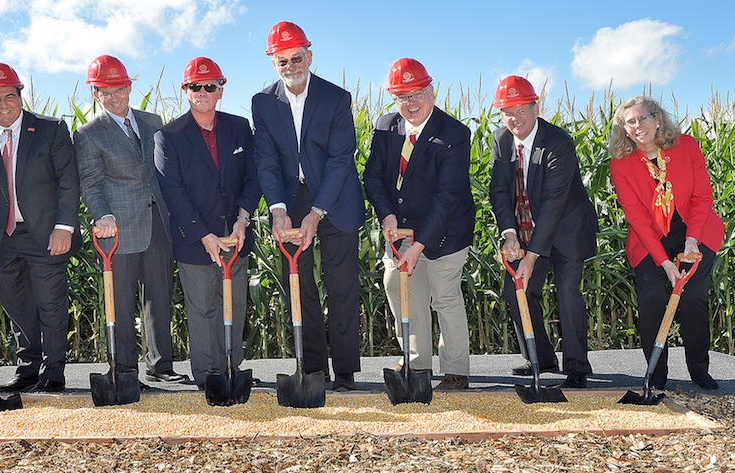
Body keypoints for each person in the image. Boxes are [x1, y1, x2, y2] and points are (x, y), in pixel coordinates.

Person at [252, 21, 365, 391]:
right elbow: (266, 160)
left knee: (341, 283)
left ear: (309, 56)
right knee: (298, 283)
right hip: (290, 198)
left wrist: (316, 213)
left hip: (336, 198)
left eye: (296, 58)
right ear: (273, 64)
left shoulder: (336, 98)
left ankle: (346, 369)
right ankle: (313, 366)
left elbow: (340, 160)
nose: (290, 66)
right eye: (281, 61)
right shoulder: (263, 102)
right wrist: (278, 208)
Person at [0, 62, 81, 393]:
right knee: (17, 306)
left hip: (46, 235)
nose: (3, 104)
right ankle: (28, 367)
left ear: (20, 95)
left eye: (10, 96)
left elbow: (69, 182)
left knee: (50, 304)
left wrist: (64, 227)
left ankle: (54, 370)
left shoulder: (50, 129)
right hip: (4, 239)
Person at [362, 58, 475, 391]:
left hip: (446, 230)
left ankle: (456, 370)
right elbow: (373, 177)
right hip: (400, 229)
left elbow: (447, 197)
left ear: (431, 91)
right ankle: (417, 362)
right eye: (401, 96)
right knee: (400, 287)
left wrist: (420, 247)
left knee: (444, 296)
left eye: (416, 94)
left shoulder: (454, 134)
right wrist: (387, 215)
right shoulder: (385, 126)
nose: (409, 103)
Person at [73, 55, 186, 384]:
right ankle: (123, 371)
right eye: (105, 92)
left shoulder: (153, 121)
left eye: (118, 89)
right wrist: (102, 215)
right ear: (95, 93)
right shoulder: (89, 133)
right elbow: (91, 184)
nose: (113, 97)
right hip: (117, 229)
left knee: (160, 298)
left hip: (159, 224)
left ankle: (161, 366)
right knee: (121, 304)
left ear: (129, 87)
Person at [154, 57, 260, 389]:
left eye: (209, 86)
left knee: (235, 304)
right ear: (185, 91)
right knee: (202, 310)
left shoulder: (240, 127)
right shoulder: (169, 136)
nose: (203, 91)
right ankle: (207, 376)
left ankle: (233, 368)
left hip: (236, 236)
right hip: (195, 240)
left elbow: (253, 177)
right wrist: (204, 235)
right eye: (195, 86)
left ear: (220, 91)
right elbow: (173, 191)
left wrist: (243, 220)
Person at [488, 75, 598, 388]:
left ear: (536, 107)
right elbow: (498, 190)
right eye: (507, 112)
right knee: (517, 291)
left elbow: (553, 203)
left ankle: (577, 366)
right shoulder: (501, 140)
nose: (514, 118)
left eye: (521, 110)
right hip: (523, 230)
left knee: (567, 292)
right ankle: (541, 357)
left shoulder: (558, 143)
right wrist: (509, 233)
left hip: (566, 232)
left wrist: (532, 255)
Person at [608, 96, 724, 390]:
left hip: (694, 230)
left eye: (643, 118)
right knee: (651, 298)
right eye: (630, 122)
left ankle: (698, 369)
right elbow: (636, 217)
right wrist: (664, 262)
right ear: (624, 129)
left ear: (657, 118)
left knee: (693, 297)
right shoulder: (621, 164)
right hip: (650, 238)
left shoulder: (686, 146)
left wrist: (691, 241)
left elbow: (702, 198)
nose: (638, 126)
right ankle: (656, 373)